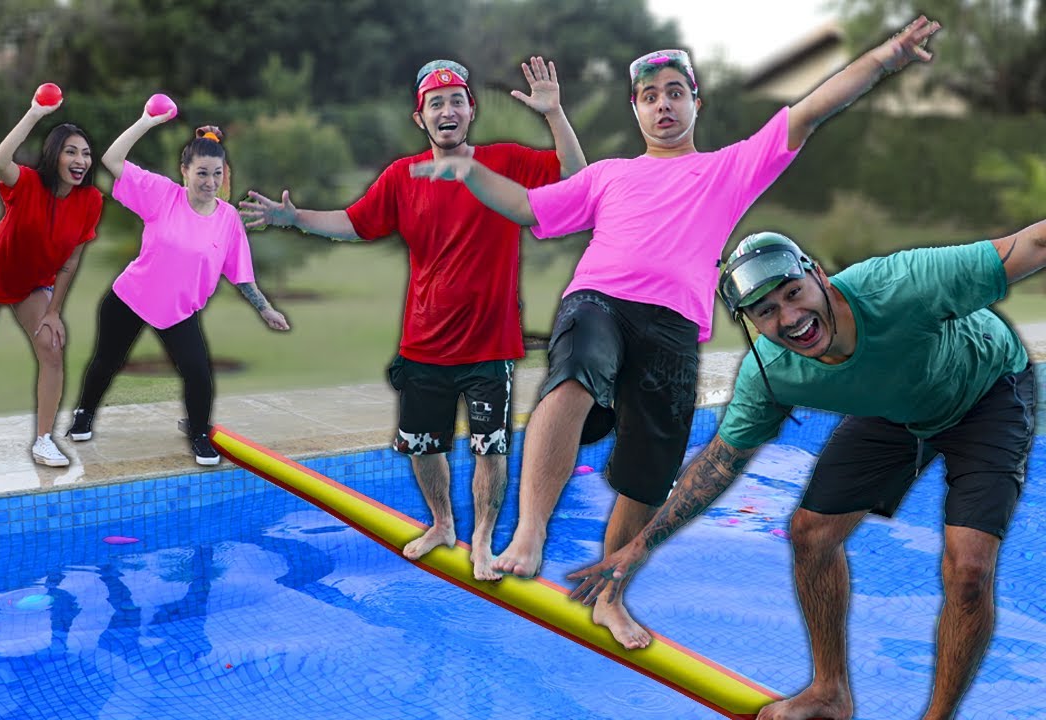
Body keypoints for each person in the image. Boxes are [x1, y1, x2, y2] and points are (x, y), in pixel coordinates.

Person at [411, 17, 942, 642]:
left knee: (648, 470)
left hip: (673, 330)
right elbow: (531, 209)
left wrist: (882, 59)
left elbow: (809, 112)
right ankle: (530, 529)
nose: (663, 104)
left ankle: (609, 593)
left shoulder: (728, 168)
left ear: (695, 101)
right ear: (636, 109)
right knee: (574, 370)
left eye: (674, 92)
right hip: (599, 300)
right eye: (650, 96)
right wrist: (469, 171)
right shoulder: (609, 174)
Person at [570, 224, 1043, 720]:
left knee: (969, 570)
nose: (791, 319)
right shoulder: (769, 373)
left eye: (794, 293)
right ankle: (829, 691)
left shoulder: (901, 283)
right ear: (749, 322)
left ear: (817, 275)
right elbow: (718, 463)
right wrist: (639, 546)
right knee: (811, 534)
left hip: (987, 392)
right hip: (894, 411)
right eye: (766, 311)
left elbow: (1032, 244)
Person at [239, 57, 587, 580]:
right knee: (424, 447)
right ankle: (443, 523)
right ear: (419, 118)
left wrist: (555, 113)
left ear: (471, 110)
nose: (446, 110)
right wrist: (295, 218)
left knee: (491, 449)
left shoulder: (504, 162)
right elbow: (353, 223)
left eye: (455, 100)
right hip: (424, 343)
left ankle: (484, 542)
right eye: (435, 103)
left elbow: (575, 175)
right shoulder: (403, 177)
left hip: (491, 343)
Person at [68, 115, 288, 465]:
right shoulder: (161, 195)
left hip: (179, 310)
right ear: (184, 170)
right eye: (202, 172)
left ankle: (199, 434)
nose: (210, 181)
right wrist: (145, 121)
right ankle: (84, 413)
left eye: (217, 173)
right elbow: (111, 160)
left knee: (198, 371)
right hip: (130, 298)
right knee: (107, 361)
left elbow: (240, 273)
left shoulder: (228, 219)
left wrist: (265, 309)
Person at [0, 91, 103, 467]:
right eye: (71, 152)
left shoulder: (91, 200)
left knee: (52, 352)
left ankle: (44, 440)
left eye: (86, 154)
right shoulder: (27, 183)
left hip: (33, 286)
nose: (80, 161)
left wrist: (53, 312)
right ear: (54, 155)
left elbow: (71, 262)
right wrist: (34, 112)